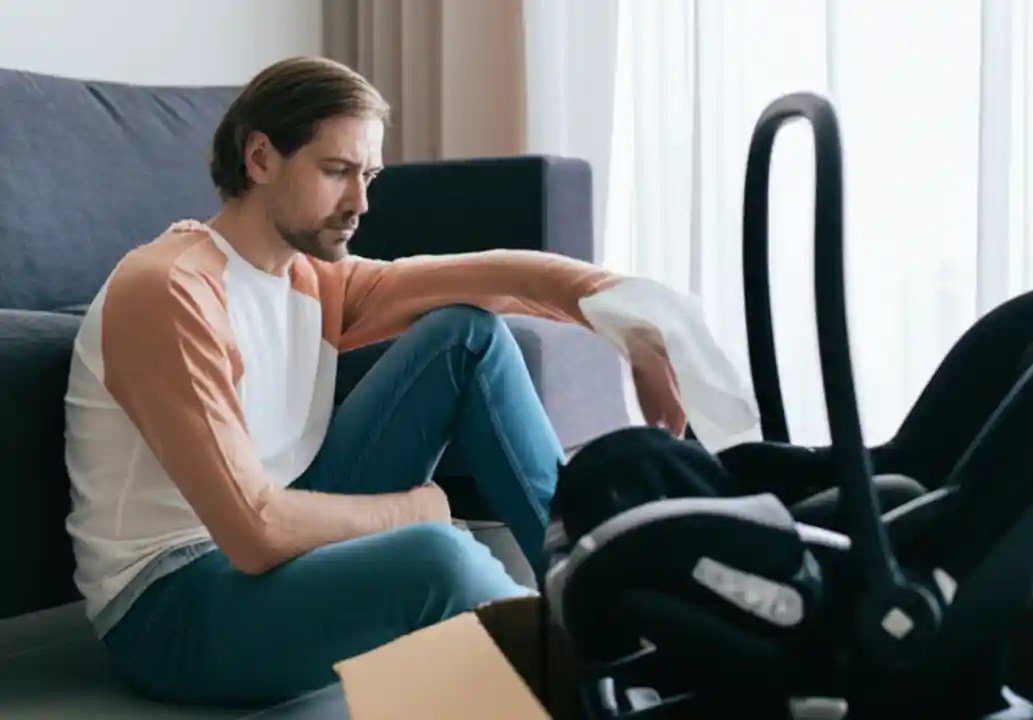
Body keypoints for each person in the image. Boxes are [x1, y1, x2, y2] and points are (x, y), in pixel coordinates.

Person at [63, 55, 685, 706]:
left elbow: (500, 277)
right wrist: (415, 511)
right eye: (336, 172)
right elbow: (254, 534)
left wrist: (630, 320)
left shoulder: (310, 277)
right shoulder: (171, 290)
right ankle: (596, 694)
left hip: (274, 526)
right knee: (438, 560)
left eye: (368, 176)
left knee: (465, 337)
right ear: (261, 158)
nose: (360, 202)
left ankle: (600, 598)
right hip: (172, 605)